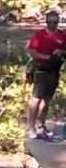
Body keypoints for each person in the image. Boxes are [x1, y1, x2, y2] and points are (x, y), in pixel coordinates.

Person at [27, 11, 66, 139]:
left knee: (46, 100)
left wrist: (61, 52)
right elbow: (32, 51)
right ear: (47, 21)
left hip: (54, 71)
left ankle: (41, 125)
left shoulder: (62, 35)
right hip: (41, 70)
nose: (53, 25)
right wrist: (47, 57)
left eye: (56, 22)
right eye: (51, 22)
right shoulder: (40, 35)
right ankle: (31, 127)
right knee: (36, 99)